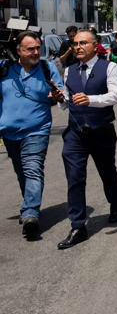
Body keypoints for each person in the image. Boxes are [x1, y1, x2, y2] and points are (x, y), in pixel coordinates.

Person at [57, 30, 117, 249]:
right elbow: (67, 101)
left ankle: (115, 205)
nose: (78, 47)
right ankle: (78, 225)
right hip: (76, 133)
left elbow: (115, 95)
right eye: (75, 44)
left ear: (95, 46)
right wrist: (59, 98)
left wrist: (90, 99)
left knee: (107, 171)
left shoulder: (109, 67)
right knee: (74, 177)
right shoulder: (69, 71)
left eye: (83, 43)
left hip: (101, 130)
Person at [0, 31, 65, 239]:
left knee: (33, 169)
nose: (36, 52)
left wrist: (57, 95)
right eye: (30, 49)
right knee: (22, 172)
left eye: (38, 48)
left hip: (37, 129)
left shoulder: (47, 68)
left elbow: (61, 93)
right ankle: (29, 205)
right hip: (9, 132)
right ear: (18, 50)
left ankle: (30, 213)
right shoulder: (4, 68)